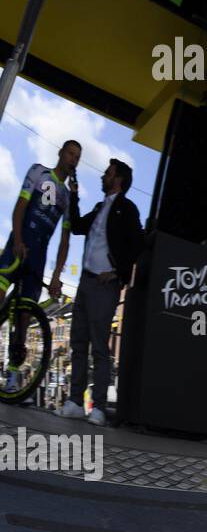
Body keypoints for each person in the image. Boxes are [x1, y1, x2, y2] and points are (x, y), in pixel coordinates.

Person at [64, 159, 143, 425]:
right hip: (85, 283)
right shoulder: (99, 207)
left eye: (107, 173)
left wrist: (119, 273)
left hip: (104, 286)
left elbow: (138, 244)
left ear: (118, 179)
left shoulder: (128, 209)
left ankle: (97, 407)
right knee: (77, 344)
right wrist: (73, 196)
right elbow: (76, 226)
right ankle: (75, 402)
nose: (103, 176)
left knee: (99, 347)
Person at [0, 141, 80, 394]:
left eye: (78, 157)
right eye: (70, 154)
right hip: (17, 247)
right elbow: (19, 208)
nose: (73, 160)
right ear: (60, 153)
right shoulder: (38, 171)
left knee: (24, 320)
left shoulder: (68, 197)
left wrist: (57, 276)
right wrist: (19, 240)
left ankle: (13, 378)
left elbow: (65, 240)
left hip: (38, 258)